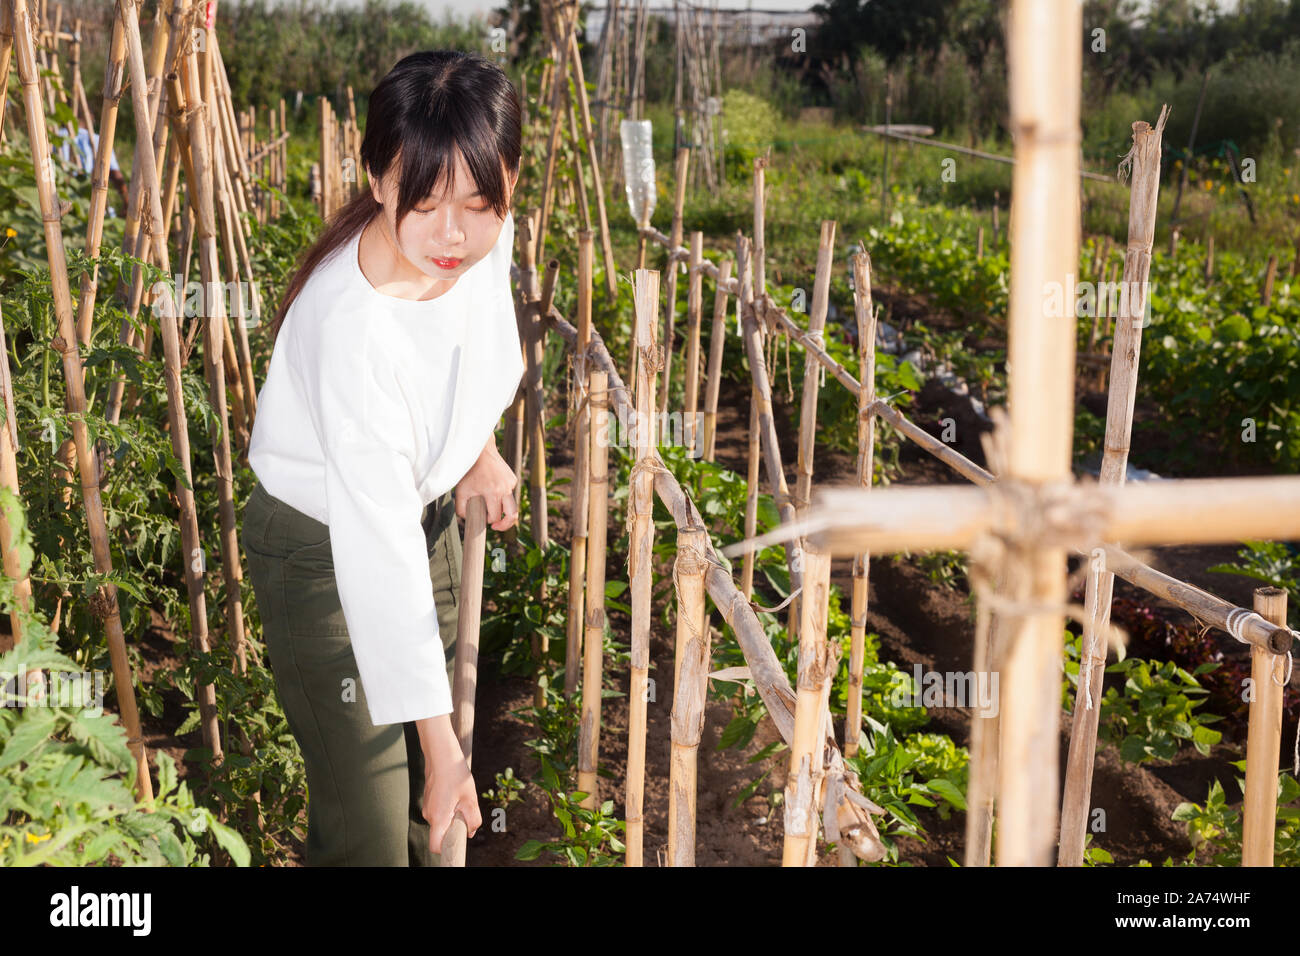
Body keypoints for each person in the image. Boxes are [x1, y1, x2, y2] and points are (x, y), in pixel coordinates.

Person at [239, 50, 525, 866]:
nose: (452, 234)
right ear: (378, 177)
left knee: (426, 827)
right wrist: (443, 755)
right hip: (324, 555)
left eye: (480, 203)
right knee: (369, 831)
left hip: (423, 521)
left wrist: (477, 448)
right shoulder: (351, 331)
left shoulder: (476, 237)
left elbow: (473, 347)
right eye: (425, 201)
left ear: (508, 183)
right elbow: (376, 557)